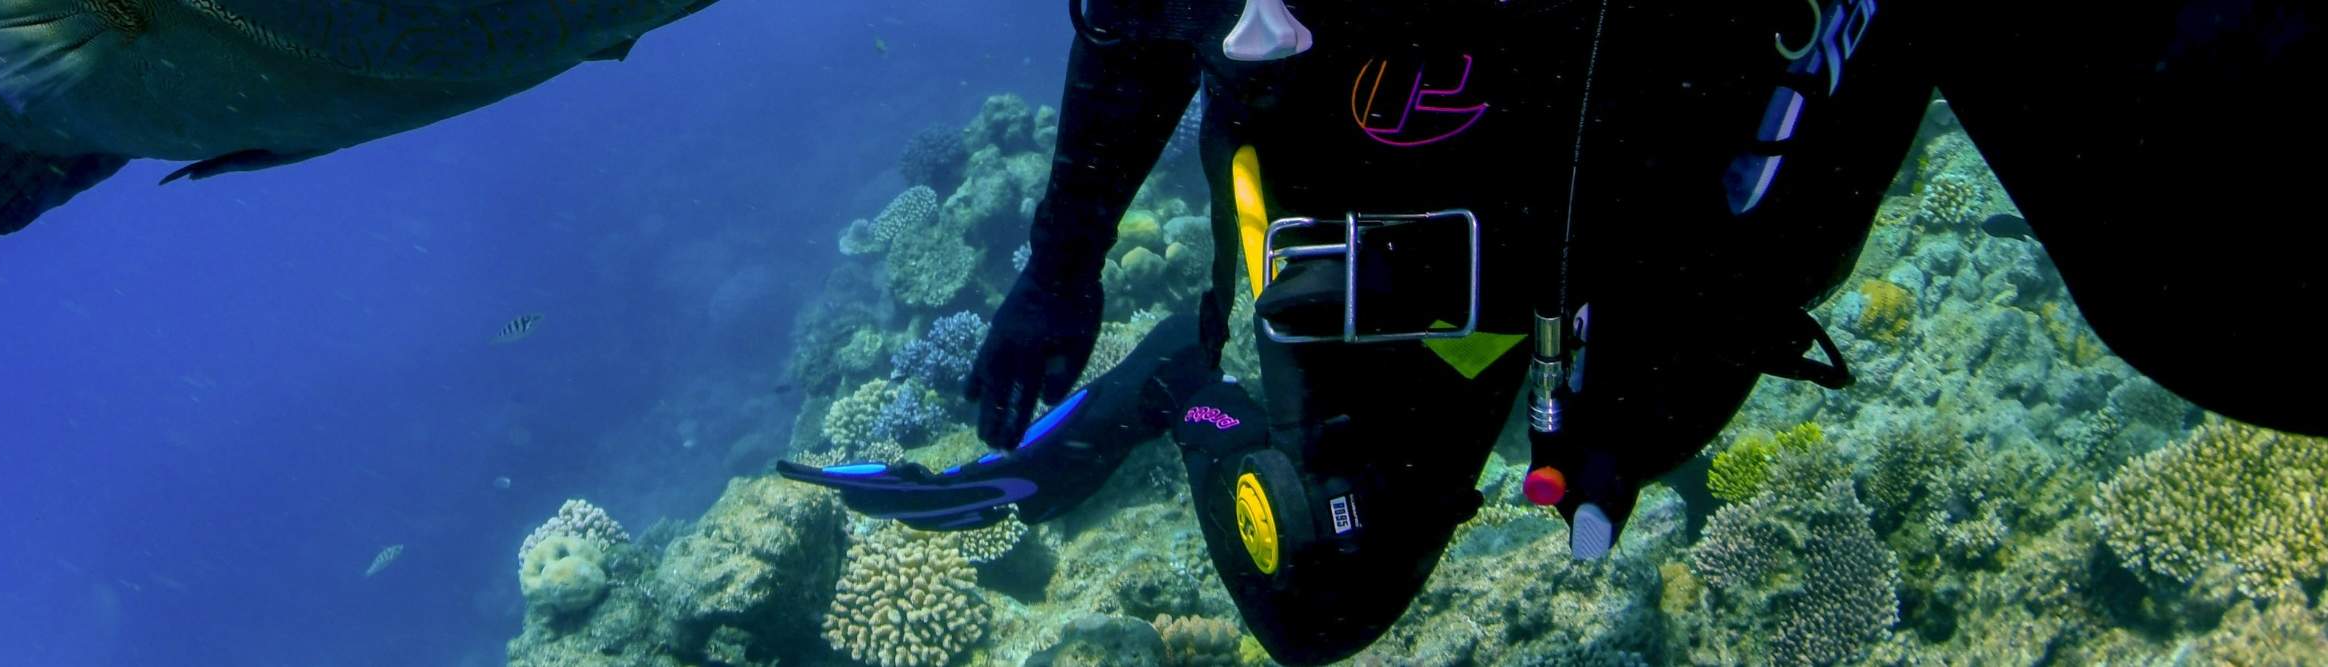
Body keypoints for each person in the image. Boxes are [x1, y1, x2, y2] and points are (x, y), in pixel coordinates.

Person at [785, 0, 2325, 663]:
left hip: (1667, 164)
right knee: (1318, 591)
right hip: (1399, 229)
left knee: (2223, 304)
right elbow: (1129, 35)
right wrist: (1061, 270)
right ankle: (1182, 388)